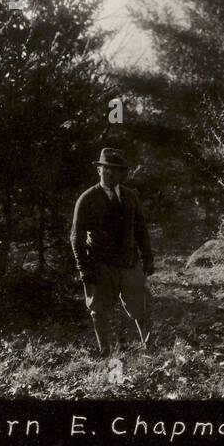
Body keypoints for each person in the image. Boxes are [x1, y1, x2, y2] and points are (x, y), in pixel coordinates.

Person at [70, 148, 155, 355]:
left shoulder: (130, 197)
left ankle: (149, 347)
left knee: (140, 306)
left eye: (115, 170)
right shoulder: (87, 199)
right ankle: (105, 351)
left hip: (129, 263)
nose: (109, 174)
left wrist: (147, 257)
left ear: (121, 173)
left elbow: (141, 228)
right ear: (99, 171)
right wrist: (83, 268)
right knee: (99, 310)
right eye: (105, 169)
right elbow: (76, 237)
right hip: (100, 265)